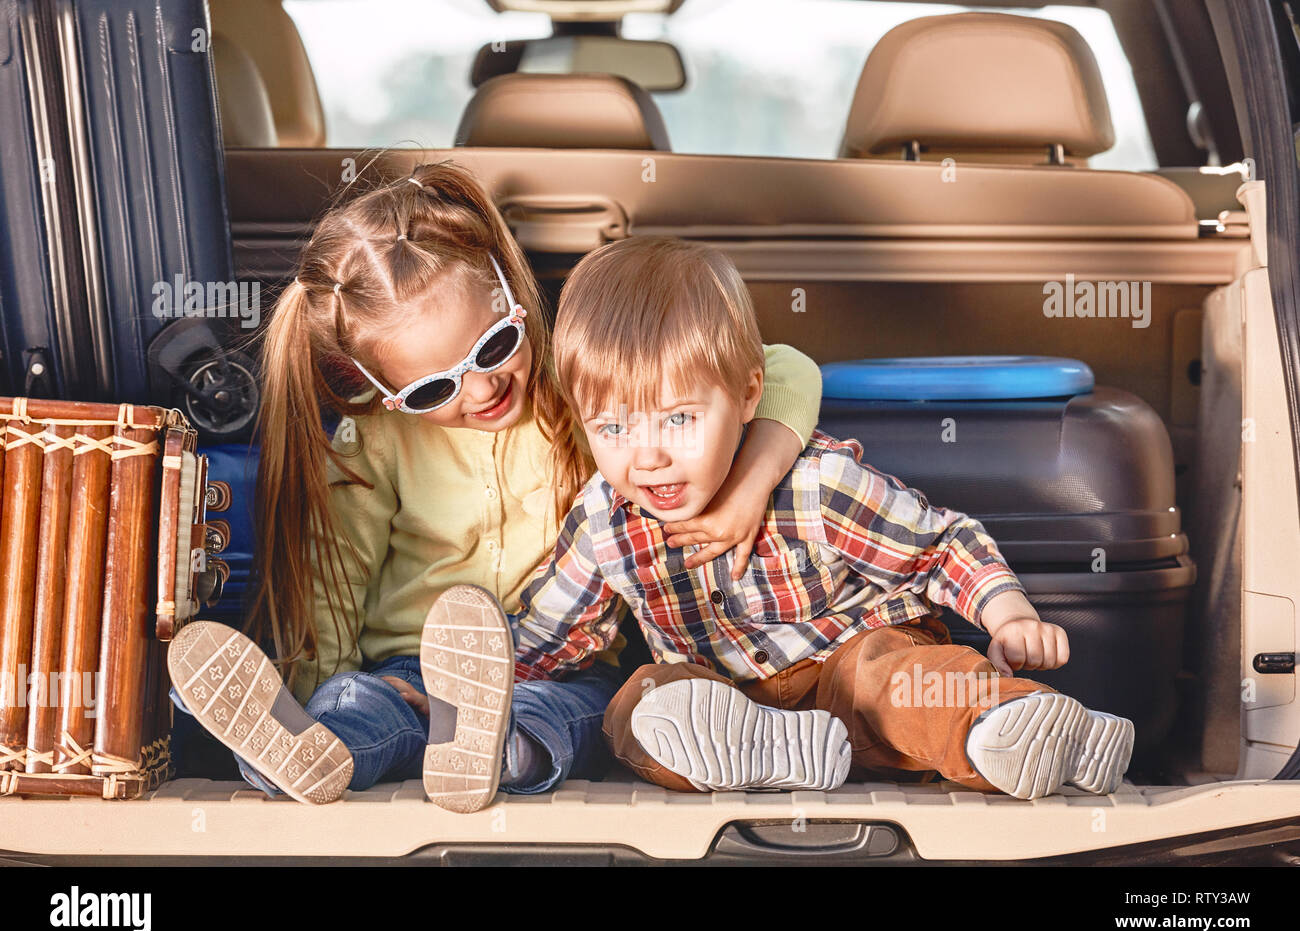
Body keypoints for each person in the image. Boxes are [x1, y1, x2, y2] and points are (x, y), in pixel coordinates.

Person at [167, 164, 826, 811]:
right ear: (377, 390)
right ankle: (303, 745)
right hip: (413, 663)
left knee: (561, 714)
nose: (481, 389)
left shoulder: (585, 392)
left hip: (569, 661)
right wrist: (322, 686)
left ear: (509, 290)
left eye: (492, 346)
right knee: (363, 704)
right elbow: (333, 580)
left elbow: (784, 366)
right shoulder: (374, 443)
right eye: (431, 389)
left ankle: (497, 752)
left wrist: (751, 484)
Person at [426, 235, 1134, 802]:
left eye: (678, 419)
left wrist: (1008, 614)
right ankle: (766, 753)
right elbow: (553, 636)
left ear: (747, 394)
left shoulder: (816, 484)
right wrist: (462, 692)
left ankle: (1006, 726)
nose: (646, 458)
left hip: (849, 661)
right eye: (611, 429)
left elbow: (941, 546)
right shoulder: (605, 521)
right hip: (731, 707)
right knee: (637, 701)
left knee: (895, 683)